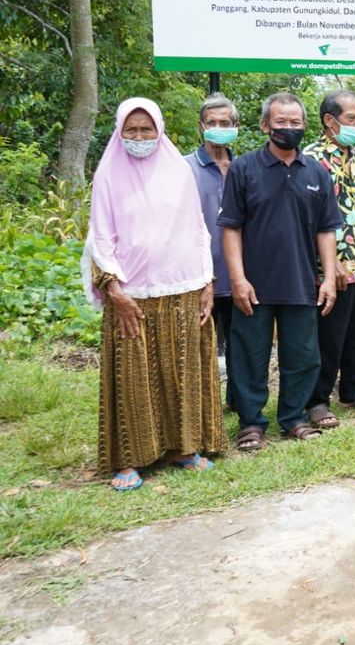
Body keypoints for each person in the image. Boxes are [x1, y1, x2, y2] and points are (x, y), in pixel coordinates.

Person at [83, 97, 226, 491]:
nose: (140, 137)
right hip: (131, 294)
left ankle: (183, 448)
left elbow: (198, 229)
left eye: (147, 130)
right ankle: (129, 459)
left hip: (182, 288)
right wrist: (113, 288)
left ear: (159, 130)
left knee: (180, 372)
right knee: (133, 374)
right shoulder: (109, 173)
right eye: (131, 130)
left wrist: (206, 282)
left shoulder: (178, 170)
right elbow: (99, 235)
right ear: (119, 132)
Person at [218, 92, 341, 451]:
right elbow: (231, 228)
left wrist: (329, 278)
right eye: (281, 122)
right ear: (264, 125)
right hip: (254, 285)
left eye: (296, 123)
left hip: (302, 282)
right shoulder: (244, 169)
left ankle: (293, 418)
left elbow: (326, 230)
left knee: (303, 356)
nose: (289, 128)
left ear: (305, 126)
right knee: (248, 355)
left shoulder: (316, 172)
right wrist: (238, 279)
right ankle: (251, 423)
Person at [301, 90, 355, 429]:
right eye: (351, 118)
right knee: (329, 337)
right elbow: (308, 217)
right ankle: (317, 401)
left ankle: (353, 390)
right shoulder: (311, 159)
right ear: (329, 120)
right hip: (333, 267)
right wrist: (330, 263)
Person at [186, 94, 238, 408]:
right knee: (198, 347)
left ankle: (237, 401)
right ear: (201, 126)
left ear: (236, 127)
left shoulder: (244, 168)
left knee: (240, 346)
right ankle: (200, 406)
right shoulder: (183, 168)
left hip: (238, 277)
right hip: (196, 276)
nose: (219, 128)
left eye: (225, 123)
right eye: (212, 123)